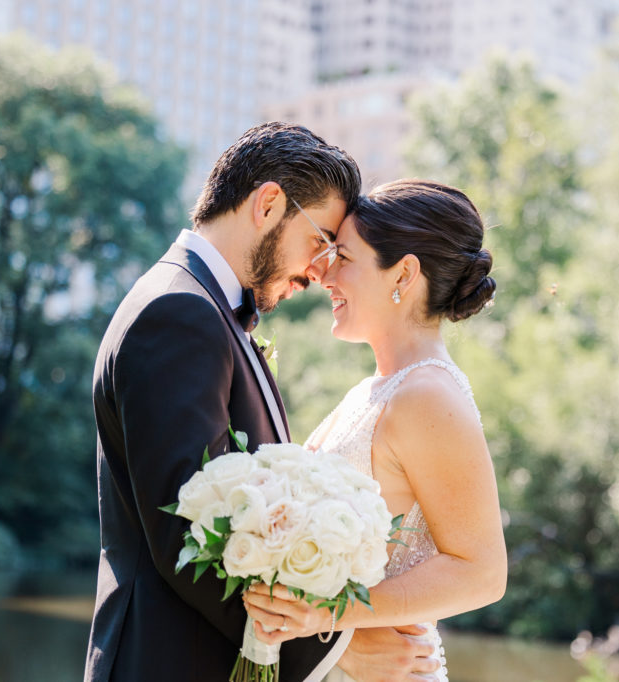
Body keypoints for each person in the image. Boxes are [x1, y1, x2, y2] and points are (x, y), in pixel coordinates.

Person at [84, 123, 440, 682]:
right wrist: (333, 648)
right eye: (320, 240)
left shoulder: (206, 311)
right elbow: (184, 529)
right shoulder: (180, 315)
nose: (320, 270)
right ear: (269, 204)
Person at [241, 179, 508, 682]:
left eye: (342, 256)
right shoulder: (375, 390)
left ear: (404, 273)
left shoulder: (429, 396)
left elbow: (482, 572)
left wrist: (328, 616)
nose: (322, 273)